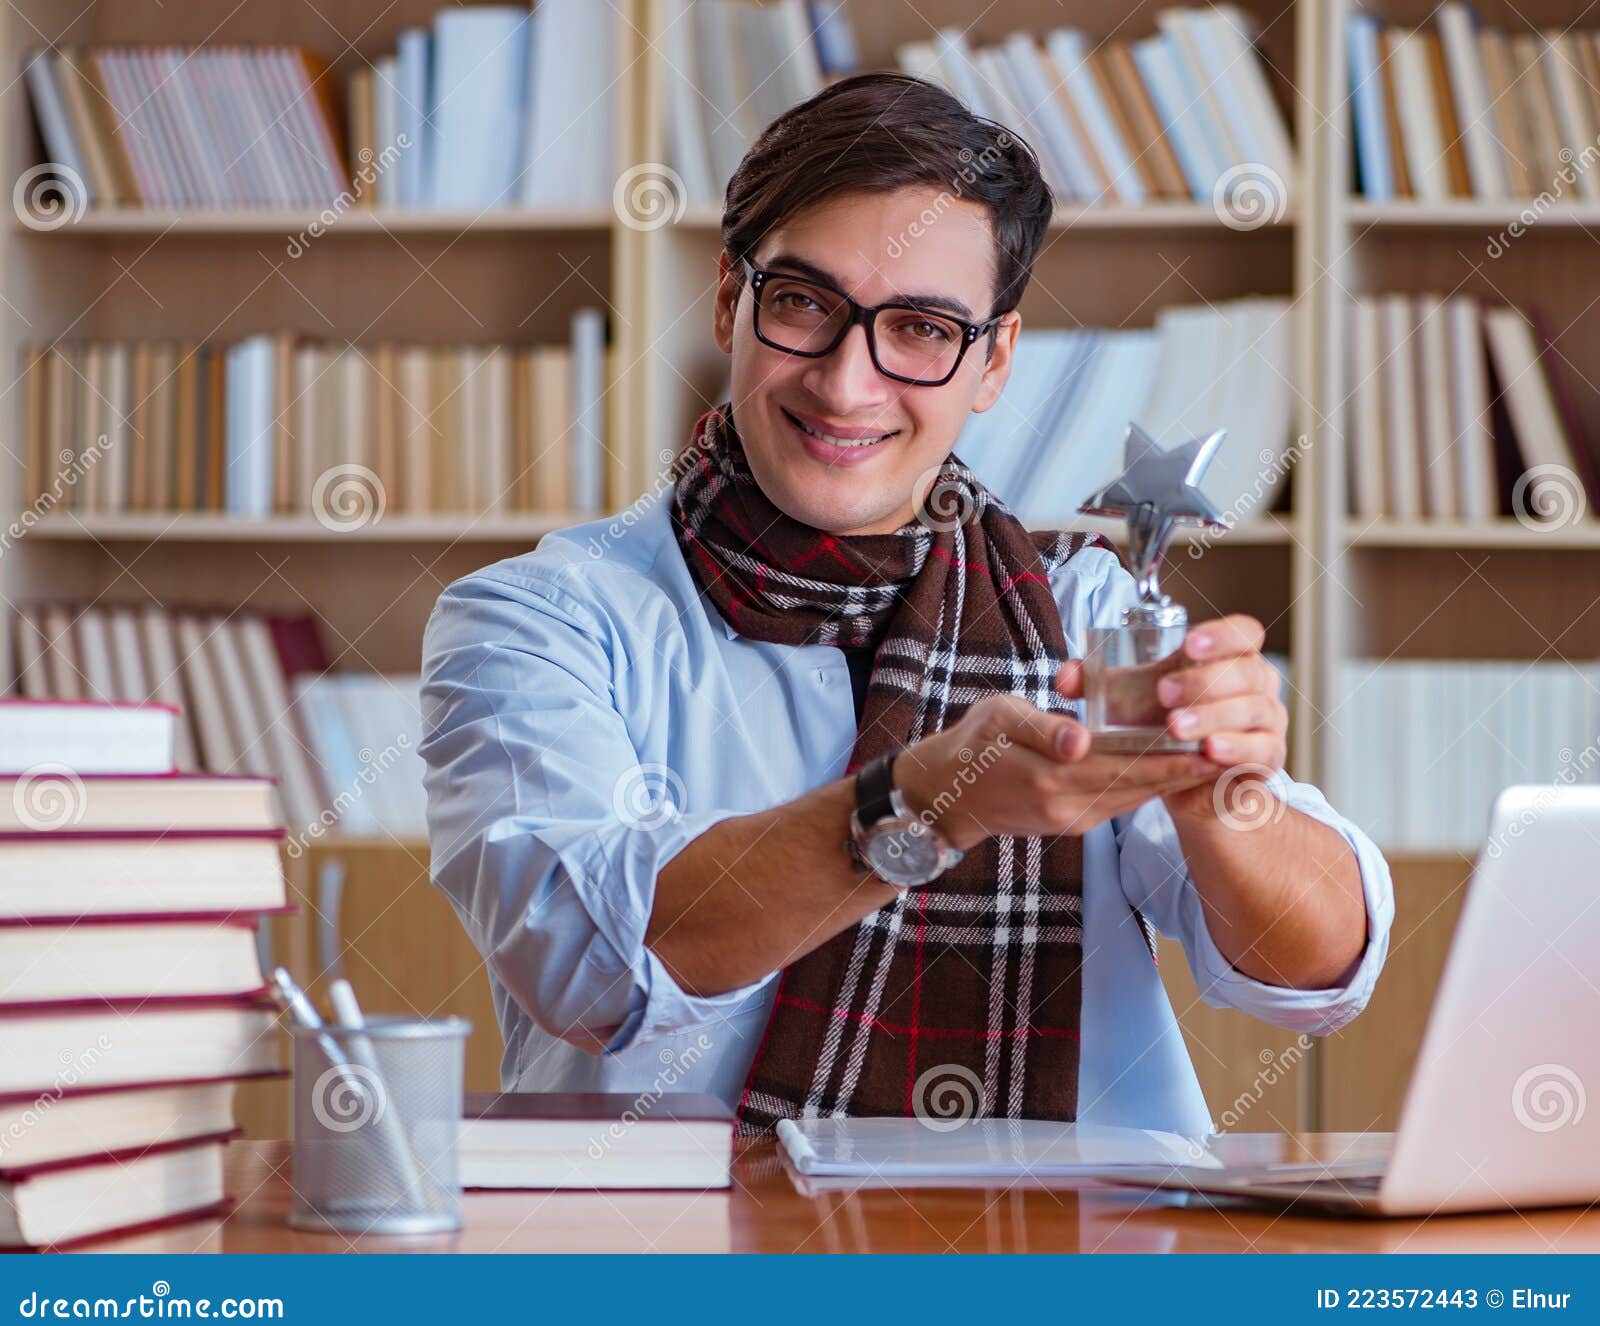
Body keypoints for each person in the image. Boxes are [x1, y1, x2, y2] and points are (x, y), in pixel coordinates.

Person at [419, 72, 1392, 1137]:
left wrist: (1217, 800)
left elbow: (1317, 972)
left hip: (1073, 1266)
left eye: (921, 330)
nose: (846, 385)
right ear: (726, 303)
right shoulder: (539, 619)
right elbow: (590, 965)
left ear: (993, 362)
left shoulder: (1083, 607)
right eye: (802, 304)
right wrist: (922, 807)